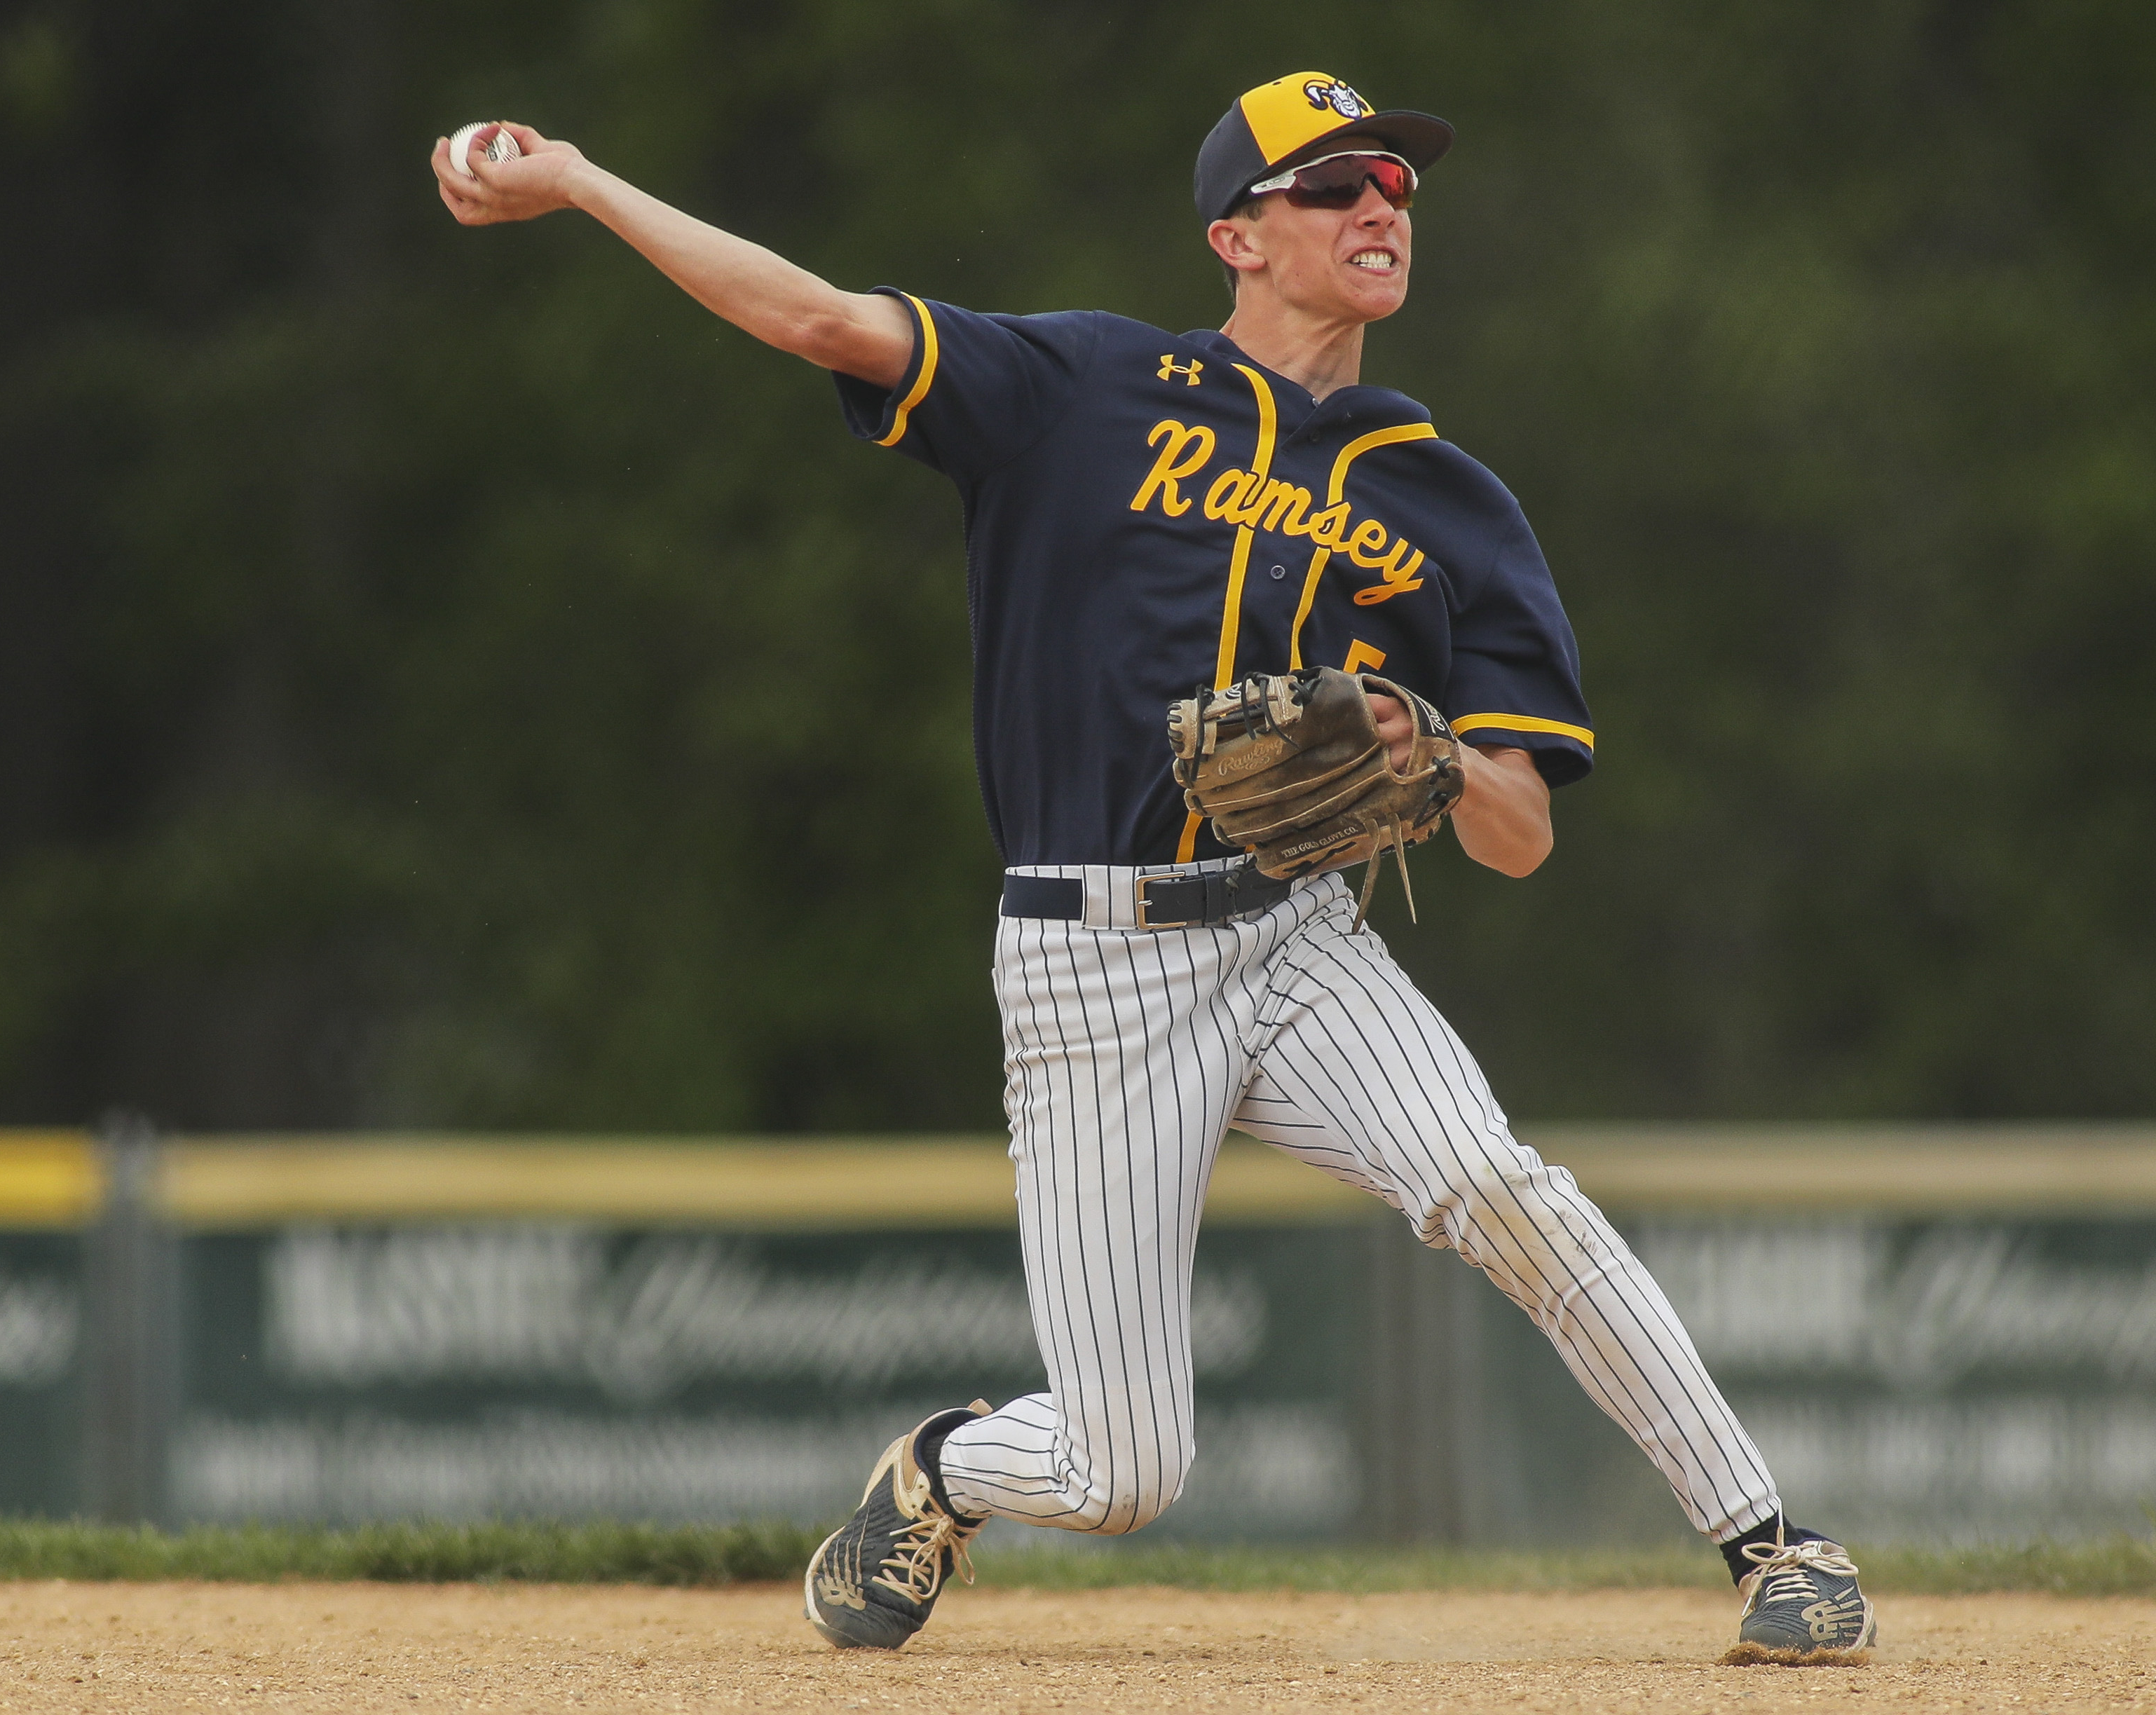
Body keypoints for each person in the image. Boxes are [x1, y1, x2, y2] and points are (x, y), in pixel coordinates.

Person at [430, 69, 1875, 1665]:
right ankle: (942, 1469)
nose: (1381, 205)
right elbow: (822, 320)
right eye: (1334, 187)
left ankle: (1774, 1546)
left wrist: (1442, 758)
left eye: (1393, 183)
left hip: (1295, 932)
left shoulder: (1445, 501)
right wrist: (580, 180)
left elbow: (1522, 836)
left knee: (1496, 1186)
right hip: (1092, 957)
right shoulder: (1084, 386)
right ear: (1237, 236)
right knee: (1125, 1474)